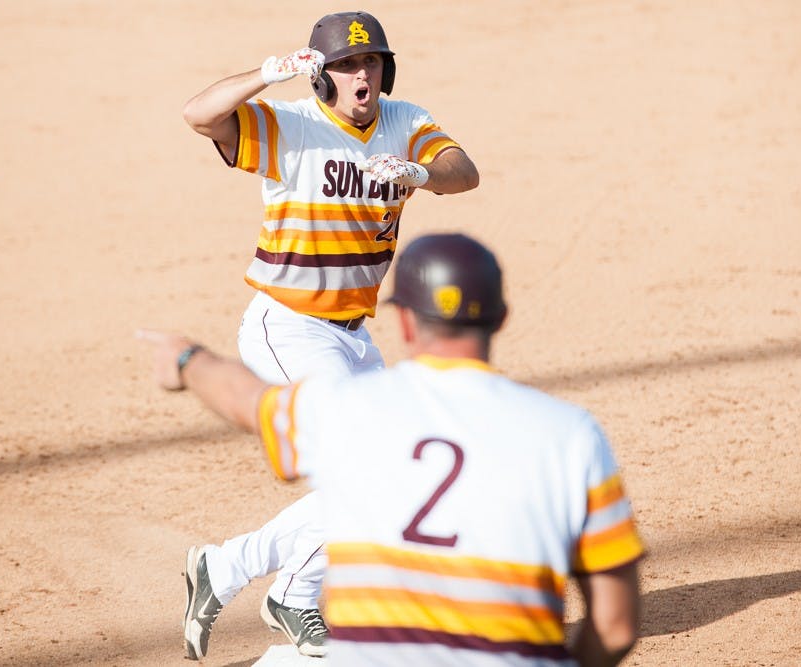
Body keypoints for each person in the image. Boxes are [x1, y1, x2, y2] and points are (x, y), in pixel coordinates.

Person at [139, 233, 644, 666]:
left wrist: (187, 359)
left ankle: (238, 571)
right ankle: (247, 574)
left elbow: (248, 401)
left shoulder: (351, 413)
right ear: (501, 318)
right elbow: (616, 627)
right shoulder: (568, 435)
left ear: (404, 322)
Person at [178, 10, 479, 660]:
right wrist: (265, 74)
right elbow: (198, 115)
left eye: (370, 62)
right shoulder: (291, 127)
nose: (361, 74)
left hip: (351, 335)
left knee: (401, 471)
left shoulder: (404, 123)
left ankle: (224, 568)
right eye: (346, 64)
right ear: (321, 75)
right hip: (287, 325)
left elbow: (464, 169)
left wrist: (419, 174)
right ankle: (290, 591)